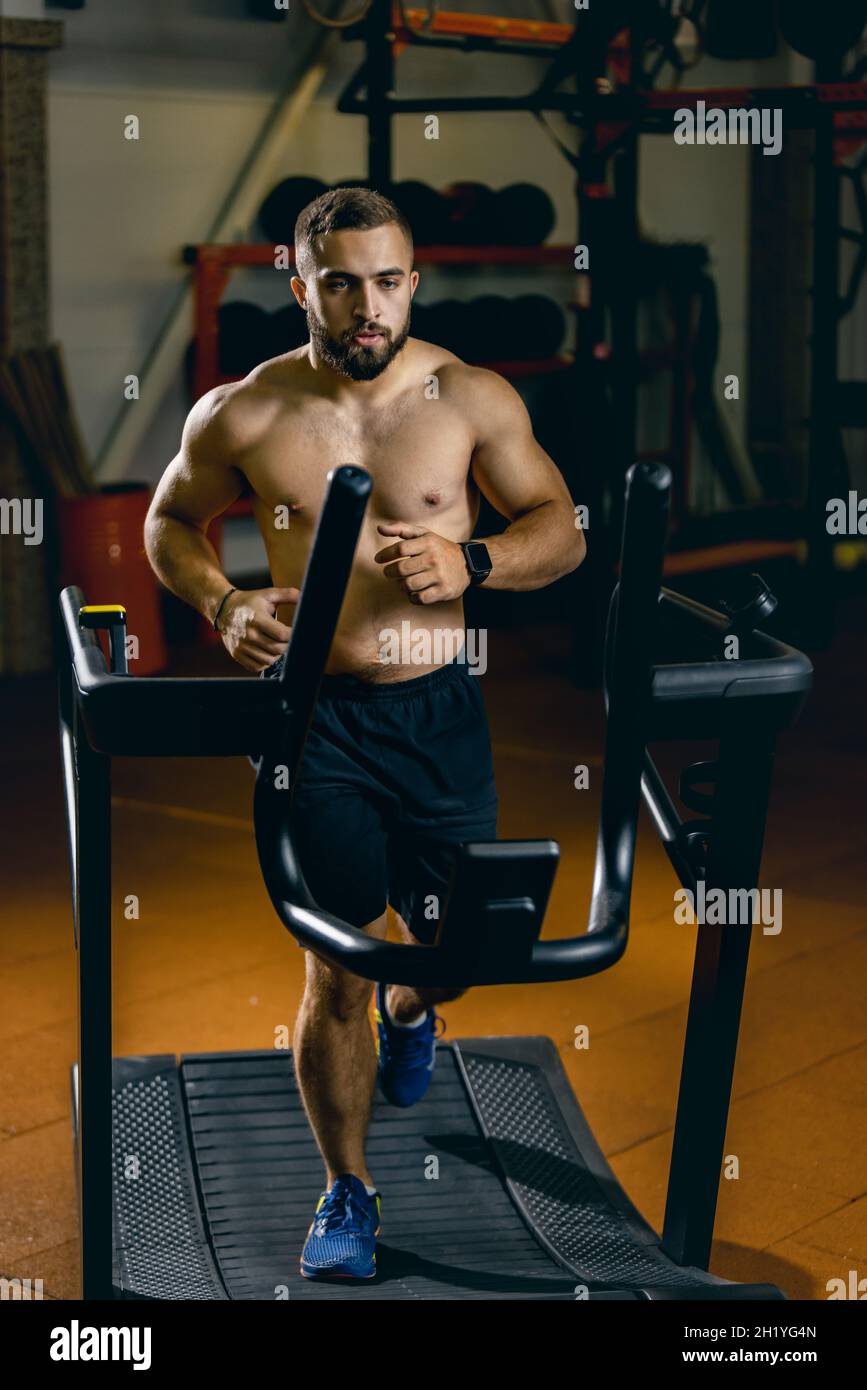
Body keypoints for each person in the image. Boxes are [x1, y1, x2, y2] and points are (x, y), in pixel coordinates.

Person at [144, 186, 586, 1281]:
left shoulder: (468, 396)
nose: (366, 306)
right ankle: (348, 1186)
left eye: (387, 281)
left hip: (438, 715)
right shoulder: (243, 412)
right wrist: (224, 603)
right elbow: (167, 522)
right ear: (300, 286)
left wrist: (474, 562)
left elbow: (563, 528)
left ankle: (413, 1007)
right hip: (314, 722)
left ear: (413, 282)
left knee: (451, 953)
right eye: (340, 282)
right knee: (333, 964)